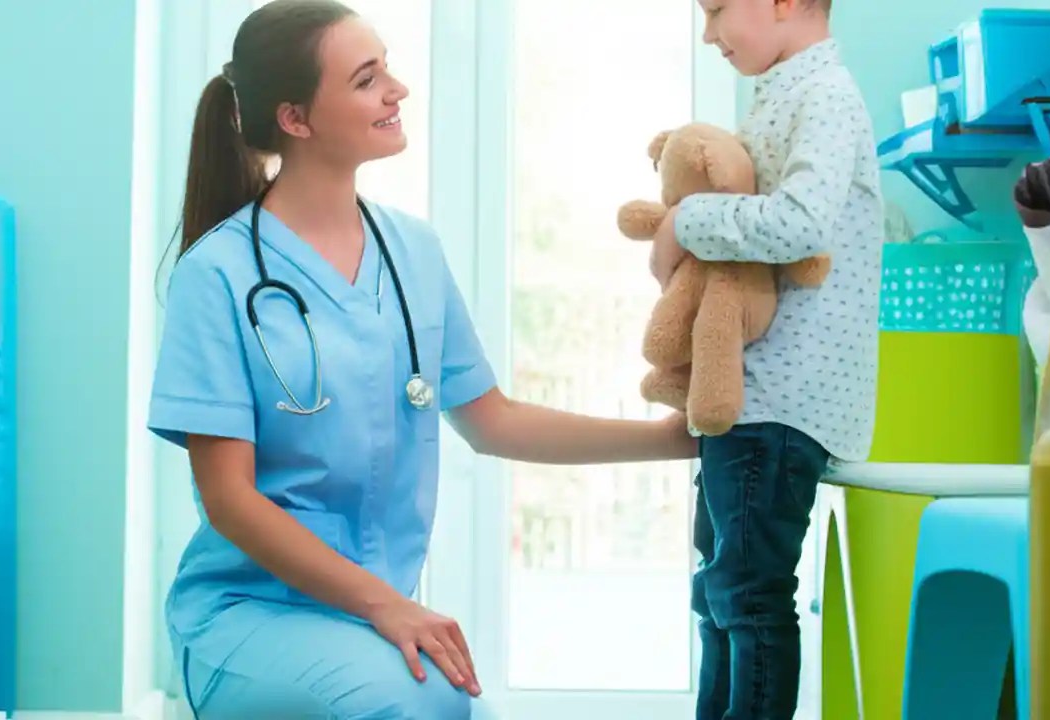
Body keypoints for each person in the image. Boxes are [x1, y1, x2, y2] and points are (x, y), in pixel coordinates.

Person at [147, 1, 697, 718]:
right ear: (296, 119)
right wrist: (387, 606)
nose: (397, 90)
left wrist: (670, 442)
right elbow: (229, 498)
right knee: (416, 704)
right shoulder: (217, 272)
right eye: (367, 78)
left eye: (388, 69)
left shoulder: (412, 251)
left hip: (366, 620)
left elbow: (493, 421)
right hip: (248, 618)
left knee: (453, 706)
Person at [648, 0, 884, 718]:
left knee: (747, 596)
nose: (708, 33)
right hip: (753, 398)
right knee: (720, 592)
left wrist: (685, 221)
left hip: (783, 399)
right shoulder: (785, 94)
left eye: (717, 9)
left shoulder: (825, 97)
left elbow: (799, 221)